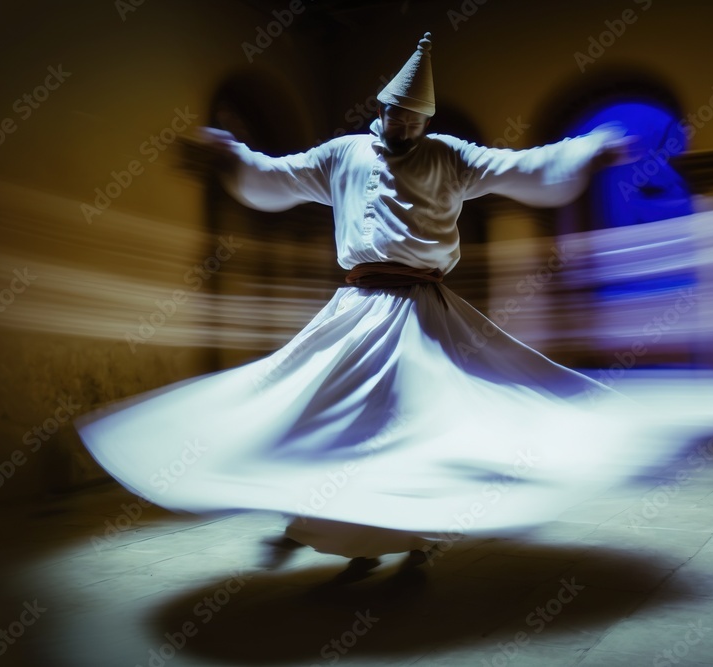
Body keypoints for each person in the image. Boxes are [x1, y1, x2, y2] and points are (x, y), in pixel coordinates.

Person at [76, 32, 665, 582]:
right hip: (357, 308)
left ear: (426, 121)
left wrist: (592, 149)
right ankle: (331, 529)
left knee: (416, 419)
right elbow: (279, 176)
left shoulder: (450, 156)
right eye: (395, 114)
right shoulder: (343, 155)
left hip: (423, 310)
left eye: (414, 119)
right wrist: (230, 156)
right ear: (381, 108)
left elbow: (521, 165)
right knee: (318, 405)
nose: (403, 124)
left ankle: (412, 536)